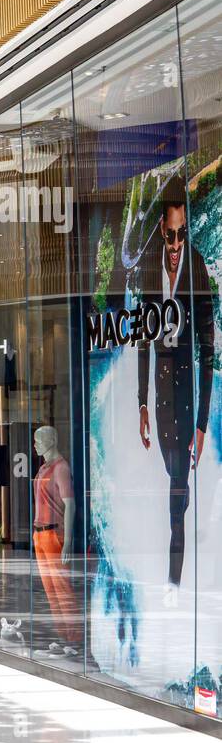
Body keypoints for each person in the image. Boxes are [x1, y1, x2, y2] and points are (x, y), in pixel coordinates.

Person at [138, 193, 215, 589]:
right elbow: (143, 340)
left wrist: (201, 425)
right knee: (173, 478)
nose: (175, 245)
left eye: (181, 234)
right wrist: (140, 404)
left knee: (175, 499)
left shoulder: (197, 267)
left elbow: (209, 352)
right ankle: (182, 530)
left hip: (185, 400)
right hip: (161, 398)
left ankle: (173, 585)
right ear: (161, 234)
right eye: (170, 235)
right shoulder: (152, 269)